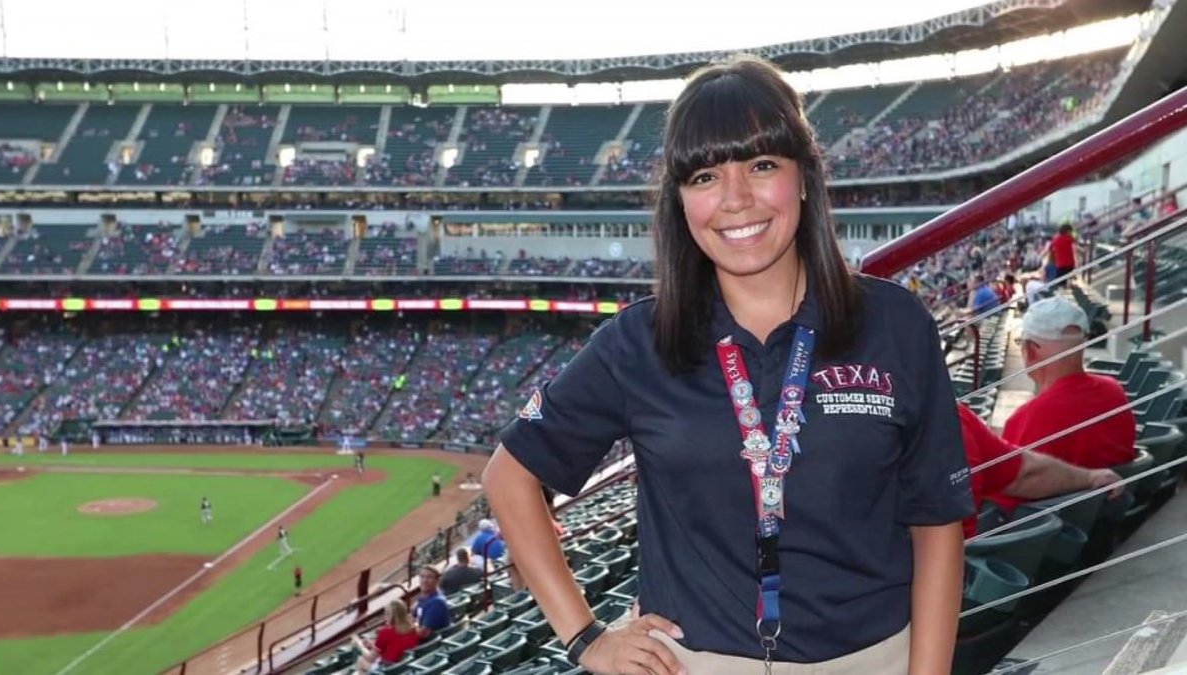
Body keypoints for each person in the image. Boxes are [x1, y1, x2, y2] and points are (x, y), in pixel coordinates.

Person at [483, 55, 973, 675]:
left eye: (762, 165)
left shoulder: (895, 324)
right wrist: (586, 639)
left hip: (874, 658)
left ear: (803, 177)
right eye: (705, 176)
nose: (736, 200)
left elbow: (937, 525)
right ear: (680, 200)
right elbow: (510, 476)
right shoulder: (639, 341)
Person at [991, 297, 1136, 513]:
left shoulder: (1030, 418)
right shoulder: (1114, 392)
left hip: (1047, 538)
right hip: (1097, 527)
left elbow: (1002, 502)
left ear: (1030, 350)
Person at [956, 403, 1123, 538]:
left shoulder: (956, 418)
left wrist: (1090, 477)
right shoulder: (955, 415)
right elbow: (1026, 474)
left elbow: (1025, 474)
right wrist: (1089, 477)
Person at [352, 598, 420, 673]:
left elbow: (370, 658)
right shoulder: (413, 629)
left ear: (391, 616)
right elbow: (395, 646)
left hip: (387, 670)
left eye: (386, 614)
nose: (385, 617)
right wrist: (372, 645)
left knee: (360, 660)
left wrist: (359, 644)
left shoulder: (386, 632)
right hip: (403, 668)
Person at [413, 565, 452, 640]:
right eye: (422, 576)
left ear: (437, 581)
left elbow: (423, 633)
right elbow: (413, 617)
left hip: (427, 645)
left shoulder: (437, 603)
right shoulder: (423, 598)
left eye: (429, 577)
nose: (425, 580)